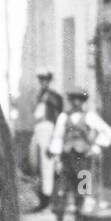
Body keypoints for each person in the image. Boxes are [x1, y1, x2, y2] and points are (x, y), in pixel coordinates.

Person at [49, 87, 111, 221]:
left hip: (83, 161)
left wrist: (96, 147)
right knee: (61, 192)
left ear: (84, 101)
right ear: (70, 101)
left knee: (82, 192)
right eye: (74, 99)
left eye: (80, 99)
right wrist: (57, 158)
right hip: (66, 160)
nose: (76, 102)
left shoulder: (90, 116)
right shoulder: (63, 117)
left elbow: (108, 132)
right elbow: (57, 137)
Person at [29, 68, 63, 212]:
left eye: (45, 80)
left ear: (50, 81)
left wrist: (55, 137)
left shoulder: (53, 96)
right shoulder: (39, 95)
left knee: (47, 165)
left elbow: (57, 115)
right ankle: (43, 195)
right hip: (38, 129)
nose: (43, 82)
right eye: (41, 80)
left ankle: (47, 197)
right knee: (35, 163)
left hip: (48, 129)